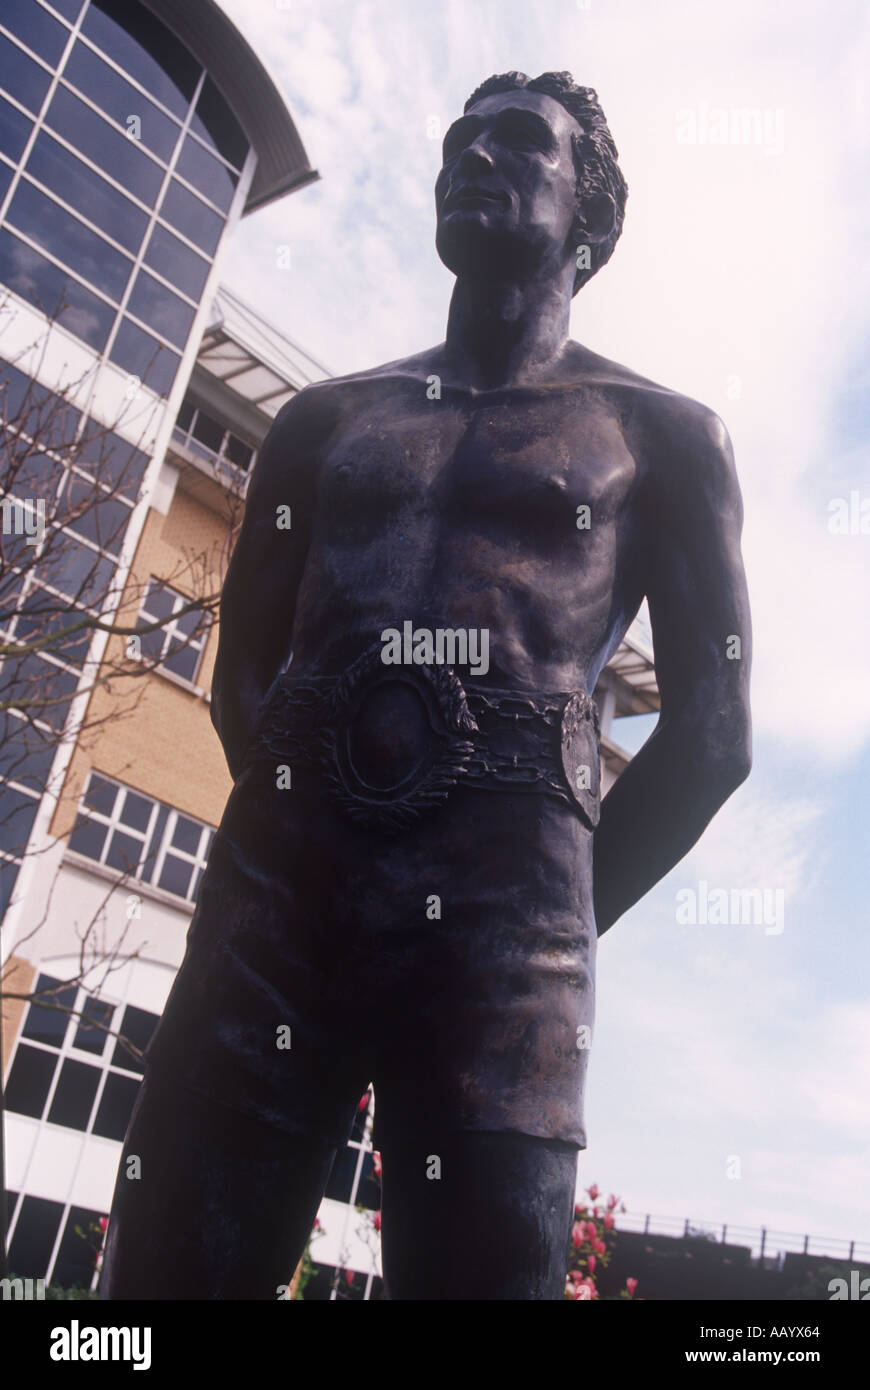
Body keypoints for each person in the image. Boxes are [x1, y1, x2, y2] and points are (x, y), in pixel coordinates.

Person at [102, 71, 751, 1301]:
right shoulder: (324, 423)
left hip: (508, 939)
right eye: (459, 138)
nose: (473, 156)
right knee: (165, 1270)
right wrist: (327, 822)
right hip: (276, 909)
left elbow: (714, 735)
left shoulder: (663, 436)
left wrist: (554, 918)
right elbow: (247, 676)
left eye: (516, 140)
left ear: (592, 211)